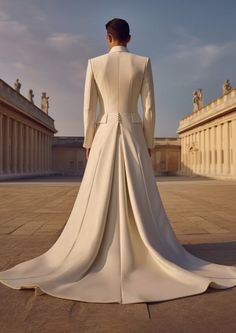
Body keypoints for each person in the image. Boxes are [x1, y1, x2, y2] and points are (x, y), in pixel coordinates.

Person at [0, 18, 236, 304]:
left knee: (100, 191)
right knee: (139, 191)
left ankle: (97, 245)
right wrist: (148, 142)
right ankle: (145, 244)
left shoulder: (95, 64)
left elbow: (89, 107)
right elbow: (149, 108)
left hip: (106, 132)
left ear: (108, 38)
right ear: (129, 38)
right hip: (133, 132)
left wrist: (89, 141)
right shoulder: (143, 62)